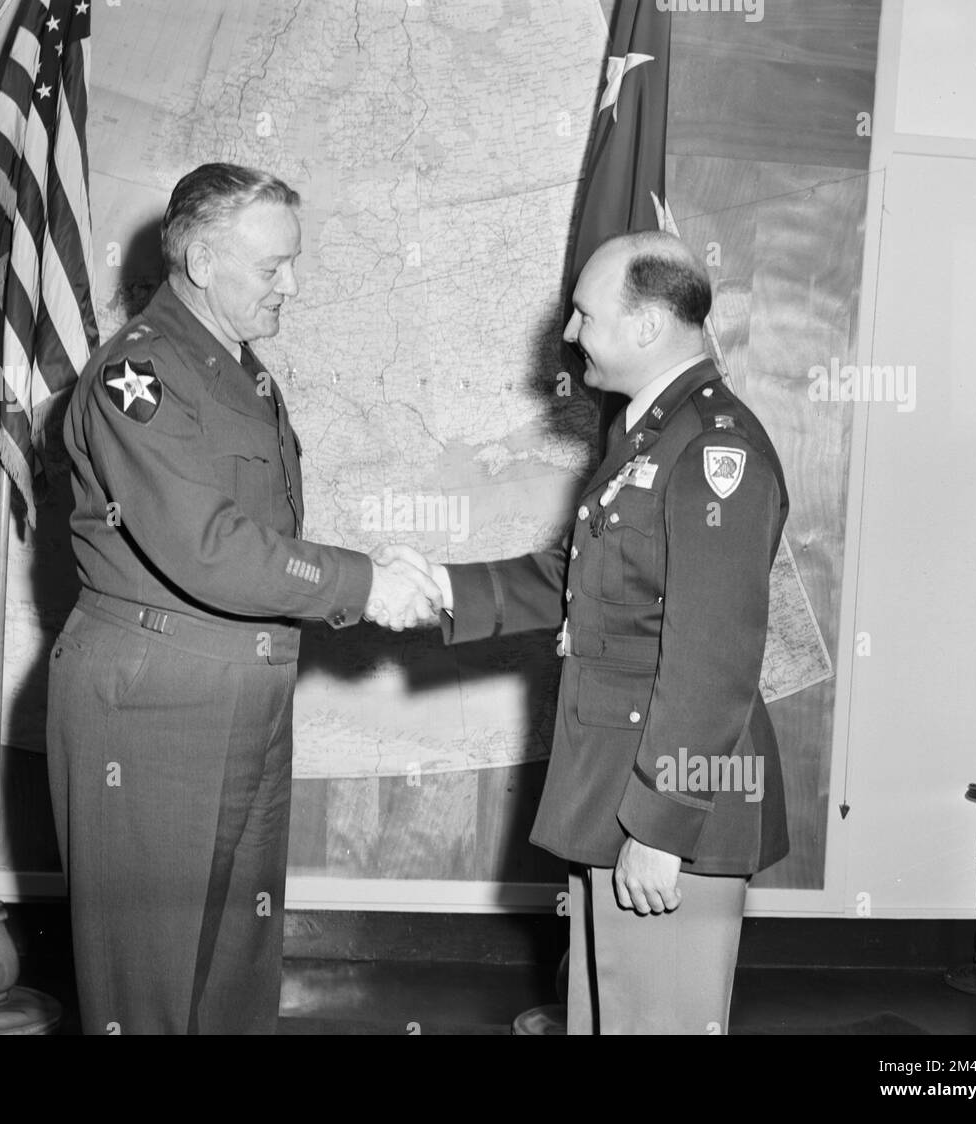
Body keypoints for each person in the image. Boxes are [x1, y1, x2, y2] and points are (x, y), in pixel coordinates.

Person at [46, 163, 438, 1035]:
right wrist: (364, 584)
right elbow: (208, 547)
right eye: (271, 268)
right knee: (150, 987)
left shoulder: (239, 370)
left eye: (292, 263)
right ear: (198, 260)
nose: (291, 286)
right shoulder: (137, 376)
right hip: (157, 701)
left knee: (235, 970)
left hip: (248, 686)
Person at [381, 231, 789, 1034]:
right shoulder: (644, 432)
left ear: (645, 328)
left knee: (654, 1022)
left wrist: (662, 828)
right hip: (616, 782)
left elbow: (715, 659)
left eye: (584, 314)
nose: (567, 334)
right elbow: (579, 578)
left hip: (673, 800)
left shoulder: (714, 450)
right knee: (607, 1017)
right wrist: (443, 589)